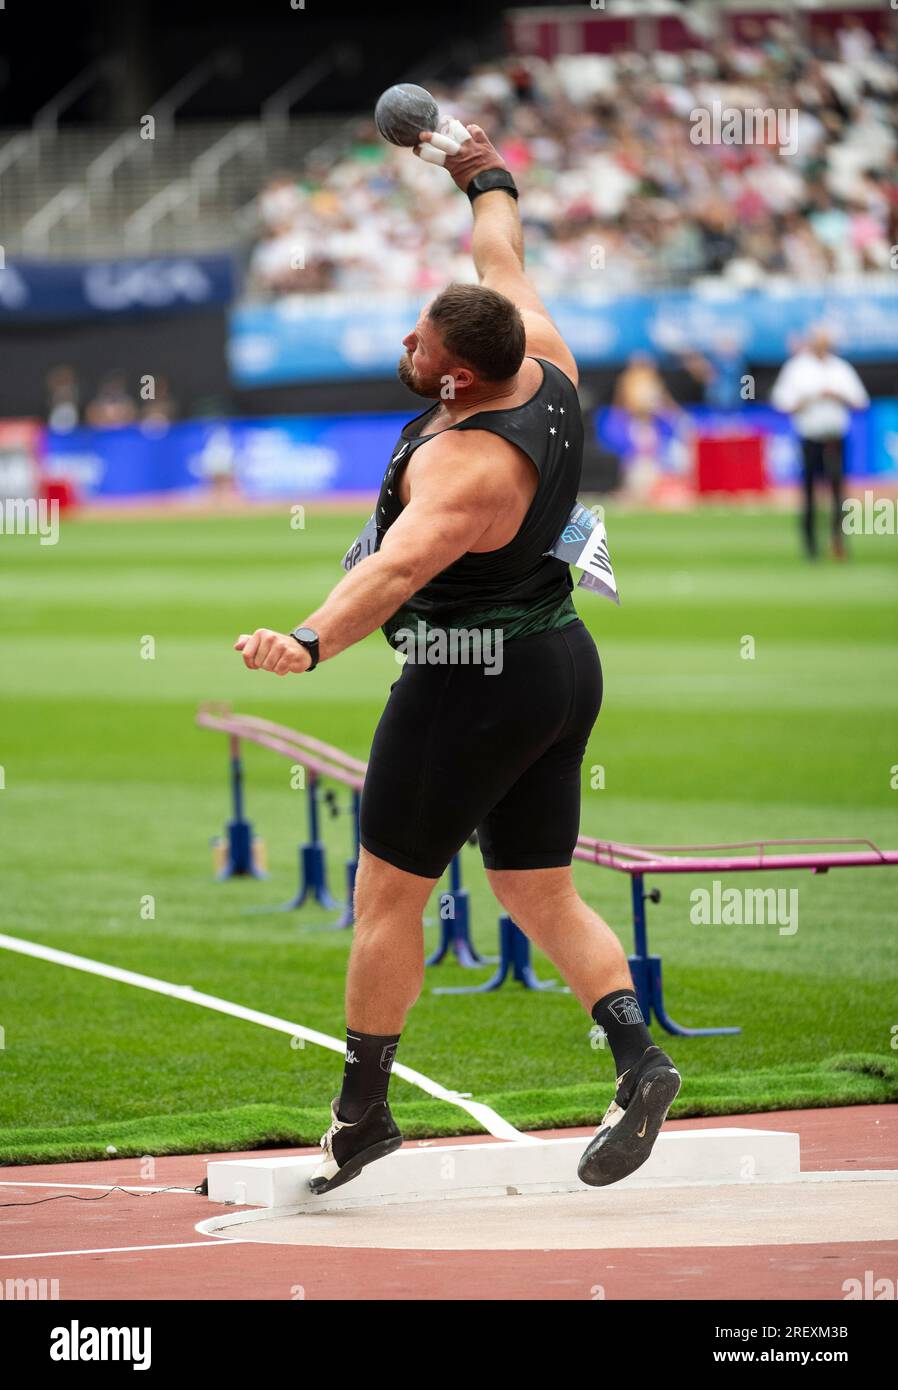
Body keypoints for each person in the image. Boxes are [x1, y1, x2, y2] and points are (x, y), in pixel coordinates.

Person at [234, 123, 681, 1195]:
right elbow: (500, 249)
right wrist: (477, 170)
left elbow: (389, 575)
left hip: (465, 682)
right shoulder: (540, 350)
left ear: (457, 378)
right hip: (560, 662)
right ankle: (639, 1057)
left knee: (386, 896)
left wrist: (304, 640)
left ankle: (363, 1114)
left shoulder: (465, 472)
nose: (408, 346)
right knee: (533, 885)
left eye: (419, 347)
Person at [771, 325, 869, 558]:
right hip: (810, 437)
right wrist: (808, 400)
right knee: (808, 491)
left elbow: (861, 402)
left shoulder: (841, 368)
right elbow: (781, 402)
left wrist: (838, 396)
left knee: (838, 491)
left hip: (834, 437)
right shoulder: (796, 368)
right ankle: (810, 545)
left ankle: (838, 542)